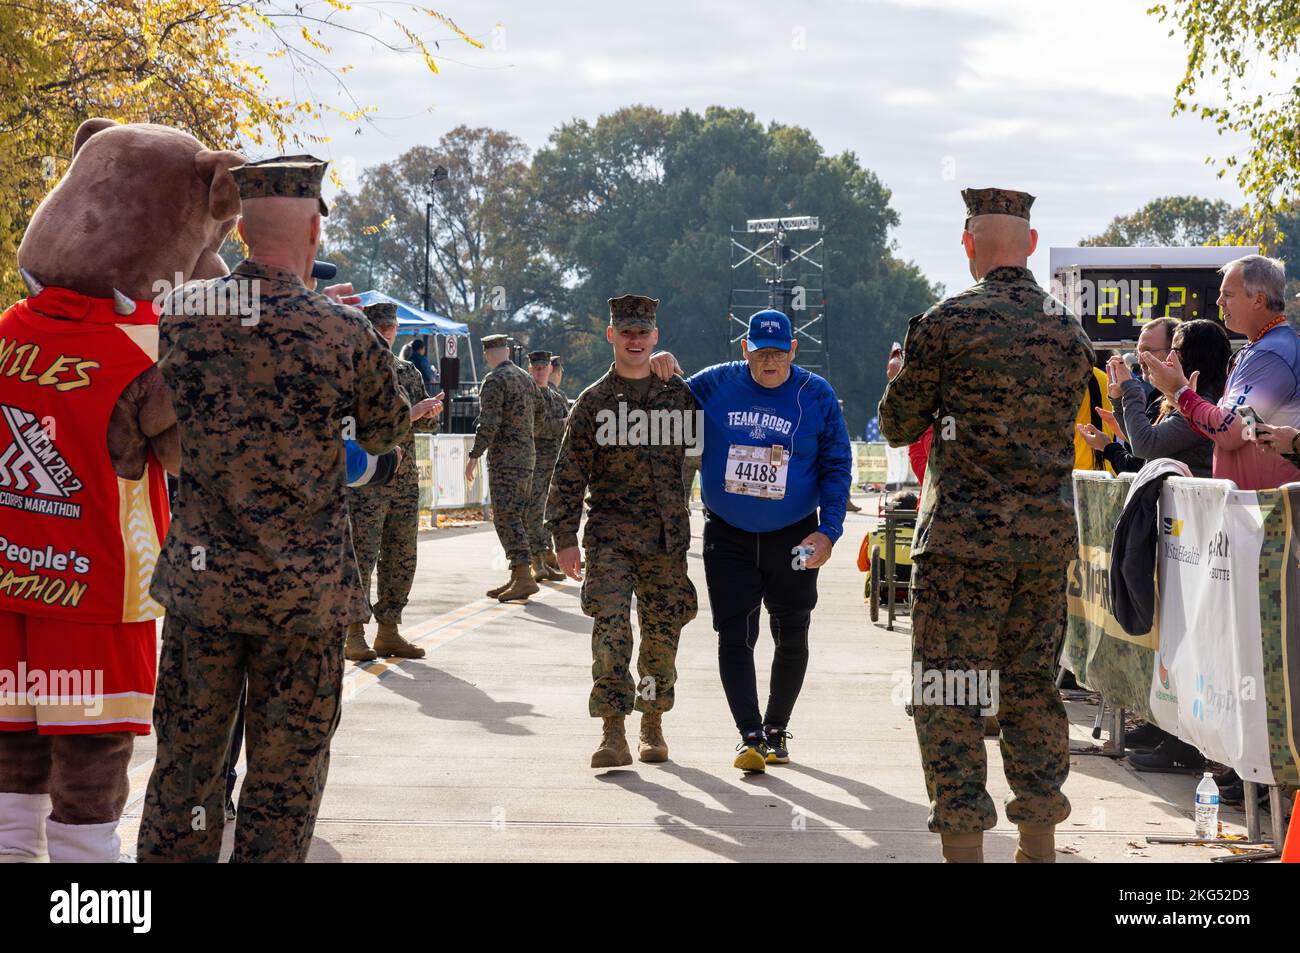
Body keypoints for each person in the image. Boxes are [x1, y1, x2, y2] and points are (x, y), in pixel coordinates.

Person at [138, 155, 410, 862]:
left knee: (185, 781)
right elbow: (388, 436)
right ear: (315, 231)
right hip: (305, 599)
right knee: (283, 787)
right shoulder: (344, 334)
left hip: (204, 593)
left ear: (241, 231)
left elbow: (142, 416)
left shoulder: (184, 319)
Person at [879, 187, 1095, 863]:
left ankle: (967, 847)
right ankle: (1037, 843)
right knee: (1031, 687)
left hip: (961, 546)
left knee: (950, 694)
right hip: (1040, 545)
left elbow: (896, 422)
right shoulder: (1070, 333)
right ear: (1029, 245)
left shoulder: (944, 324)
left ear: (968, 243)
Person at [648, 309, 852, 771]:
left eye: (780, 355)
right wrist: (660, 363)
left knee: (792, 628)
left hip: (795, 535)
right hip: (729, 535)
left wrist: (829, 530)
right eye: (761, 355)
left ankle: (777, 730)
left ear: (794, 351)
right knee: (735, 634)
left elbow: (837, 465)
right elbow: (666, 393)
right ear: (745, 350)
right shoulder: (716, 383)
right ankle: (750, 734)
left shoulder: (815, 394)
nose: (770, 364)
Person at [546, 294, 698, 768]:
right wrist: (565, 540)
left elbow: (699, 461)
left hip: (665, 540)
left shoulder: (680, 395)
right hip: (609, 537)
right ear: (612, 335)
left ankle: (651, 721)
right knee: (611, 630)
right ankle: (614, 732)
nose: (634, 340)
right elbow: (568, 474)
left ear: (655, 337)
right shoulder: (592, 402)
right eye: (626, 332)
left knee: (660, 635)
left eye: (643, 333)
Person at [1144, 254, 1300, 491]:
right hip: (1257, 504)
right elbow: (1248, 425)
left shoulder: (1272, 353)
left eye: (1227, 295)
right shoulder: (1264, 348)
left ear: (1258, 300)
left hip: (1268, 507)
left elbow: (1230, 430)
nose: (1218, 301)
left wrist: (1180, 393)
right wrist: (1184, 401)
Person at [345, 302, 444, 662]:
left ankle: (389, 629)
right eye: (380, 326)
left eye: (392, 327)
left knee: (402, 554)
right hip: (368, 476)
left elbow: (423, 424)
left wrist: (430, 413)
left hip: (403, 479)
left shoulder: (407, 371)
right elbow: (355, 424)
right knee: (362, 554)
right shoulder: (354, 369)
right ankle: (354, 632)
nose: (387, 332)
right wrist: (408, 415)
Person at [1076, 319, 1226, 480]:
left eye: (1176, 351)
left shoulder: (1203, 404)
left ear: (1194, 356)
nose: (1141, 360)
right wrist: (1119, 401)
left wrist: (1130, 387)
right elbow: (1138, 441)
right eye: (1138, 352)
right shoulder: (1170, 400)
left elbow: (1145, 446)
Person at [466, 334, 544, 602]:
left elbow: (488, 422)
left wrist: (474, 455)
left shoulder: (495, 381)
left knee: (506, 517)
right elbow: (542, 410)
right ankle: (518, 574)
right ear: (508, 351)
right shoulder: (525, 377)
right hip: (526, 456)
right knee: (518, 515)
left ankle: (523, 575)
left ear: (487, 354)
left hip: (505, 461)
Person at [524, 350, 569, 583]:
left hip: (553, 462)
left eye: (544, 368)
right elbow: (536, 428)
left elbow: (568, 423)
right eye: (537, 368)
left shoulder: (555, 396)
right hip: (534, 462)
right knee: (534, 511)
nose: (541, 371)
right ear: (531, 370)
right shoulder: (529, 396)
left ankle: (545, 555)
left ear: (550, 370)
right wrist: (562, 424)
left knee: (548, 512)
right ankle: (536, 560)